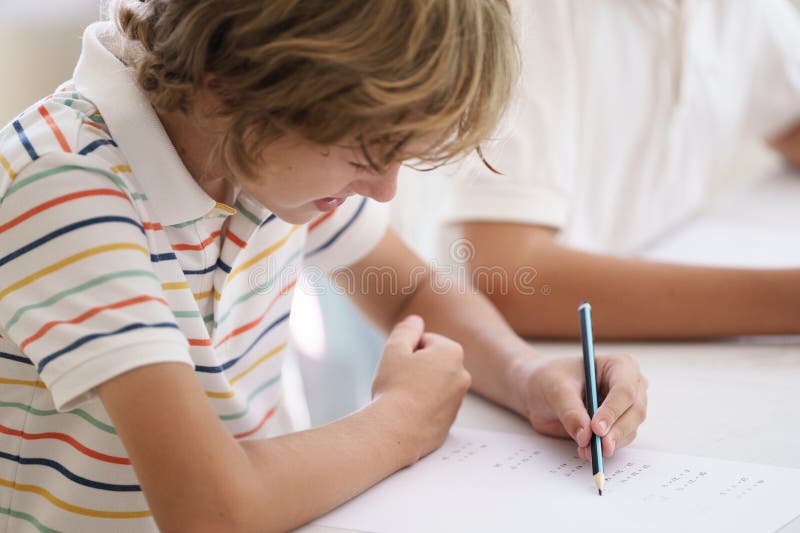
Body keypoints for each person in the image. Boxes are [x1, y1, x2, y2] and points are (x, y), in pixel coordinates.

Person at [0, 1, 647, 531]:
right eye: (366, 155)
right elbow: (209, 509)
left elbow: (411, 290)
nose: (386, 189)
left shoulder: (255, 153)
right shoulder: (64, 185)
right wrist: (399, 421)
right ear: (228, 91)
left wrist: (526, 373)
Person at [445, 0, 800, 339]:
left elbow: (790, 121)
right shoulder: (536, 14)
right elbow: (510, 277)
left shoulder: (740, 9)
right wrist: (785, 303)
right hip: (527, 358)